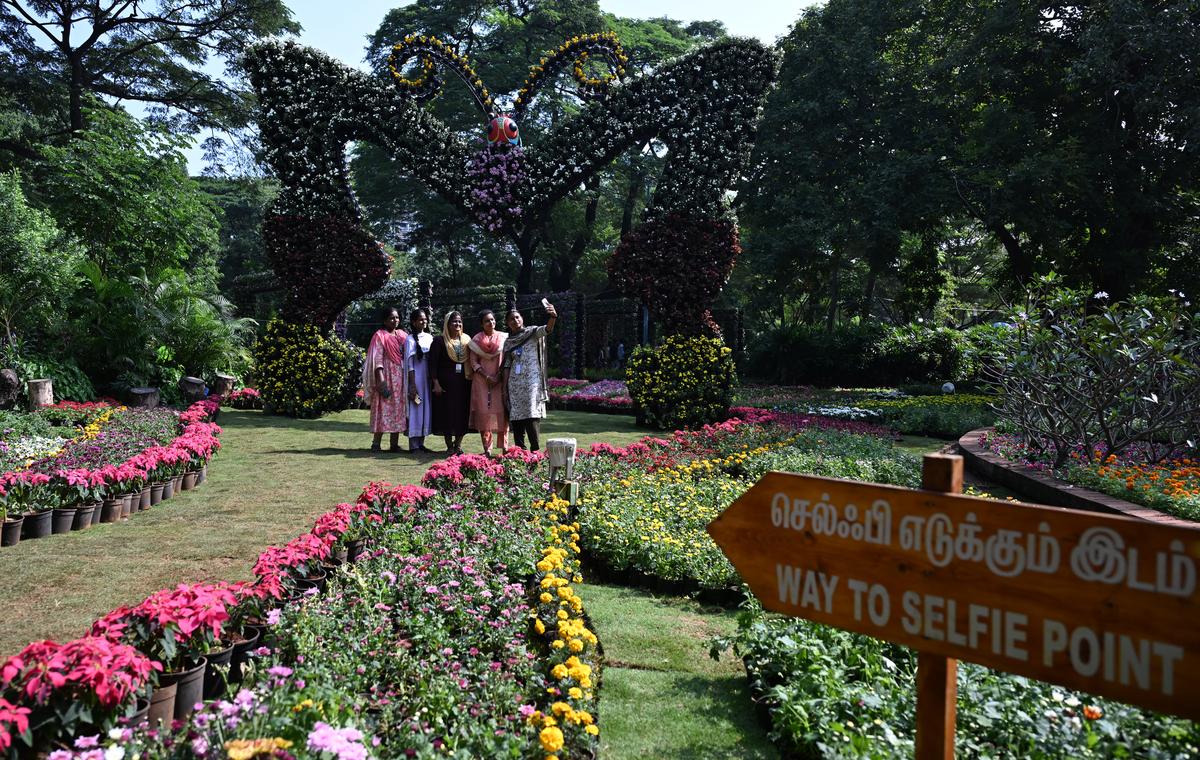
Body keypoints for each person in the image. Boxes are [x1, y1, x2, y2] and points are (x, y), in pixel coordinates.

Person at [502, 302, 557, 451]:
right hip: (514, 383)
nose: (515, 321)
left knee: (531, 412)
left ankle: (535, 449)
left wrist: (552, 316)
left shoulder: (532, 332)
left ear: (522, 318)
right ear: (508, 323)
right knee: (517, 415)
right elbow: (506, 366)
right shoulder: (508, 342)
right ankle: (519, 450)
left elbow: (548, 329)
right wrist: (504, 388)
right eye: (511, 319)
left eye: (517, 317)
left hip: (532, 381)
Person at [362, 307, 407, 452]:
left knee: (398, 410)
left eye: (397, 318)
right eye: (391, 318)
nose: (395, 320)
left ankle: (394, 444)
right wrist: (381, 381)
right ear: (385, 320)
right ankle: (376, 443)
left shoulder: (402, 335)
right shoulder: (380, 335)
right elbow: (377, 359)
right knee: (382, 409)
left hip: (399, 378)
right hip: (385, 376)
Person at [430, 310, 472, 454]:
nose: (457, 324)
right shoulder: (439, 341)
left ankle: (458, 445)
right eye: (454, 321)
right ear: (447, 324)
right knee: (446, 414)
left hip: (463, 384)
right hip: (445, 385)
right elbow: (433, 365)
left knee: (462, 414)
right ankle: (449, 446)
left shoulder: (467, 340)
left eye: (459, 321)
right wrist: (436, 383)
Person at [468, 309, 508, 455]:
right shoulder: (476, 341)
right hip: (482, 381)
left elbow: (506, 359)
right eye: (487, 321)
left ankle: (504, 447)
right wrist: (487, 376)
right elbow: (473, 362)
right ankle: (487, 449)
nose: (490, 322)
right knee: (484, 414)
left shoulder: (504, 337)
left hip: (500, 379)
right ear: (481, 324)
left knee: (502, 413)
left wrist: (498, 376)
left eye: (492, 320)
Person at [404, 308, 434, 452]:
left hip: (427, 379)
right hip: (416, 378)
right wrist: (412, 384)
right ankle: (413, 445)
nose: (423, 321)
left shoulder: (429, 337)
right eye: (420, 319)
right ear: (414, 322)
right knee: (416, 407)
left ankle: (421, 443)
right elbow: (409, 364)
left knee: (425, 408)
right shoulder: (410, 340)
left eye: (425, 319)